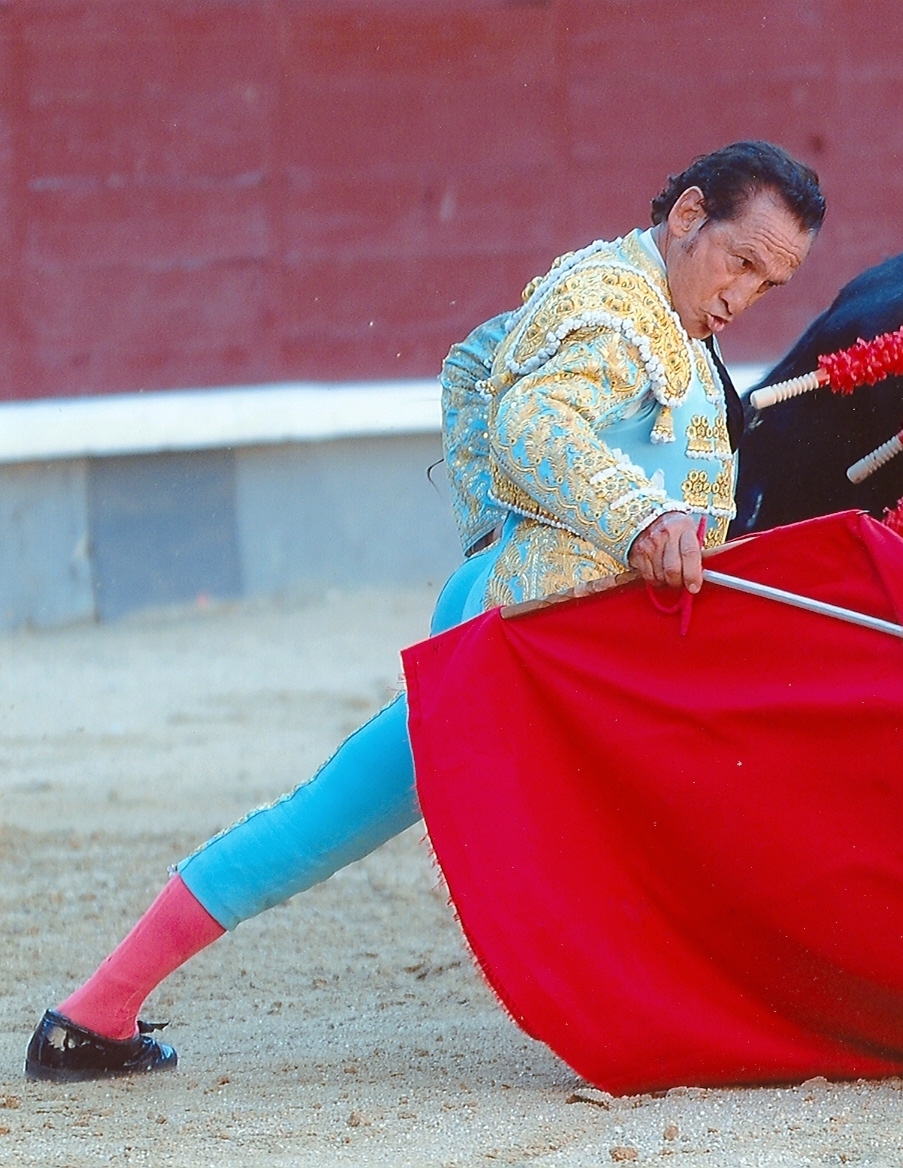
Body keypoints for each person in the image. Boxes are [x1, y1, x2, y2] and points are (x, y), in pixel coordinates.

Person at [25, 140, 824, 1082]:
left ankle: (95, 1011)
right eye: (741, 262)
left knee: (339, 815)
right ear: (688, 215)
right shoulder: (614, 308)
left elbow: (499, 376)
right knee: (337, 817)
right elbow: (532, 425)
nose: (742, 297)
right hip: (520, 637)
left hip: (556, 632)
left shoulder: (657, 313)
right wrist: (641, 518)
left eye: (768, 284)